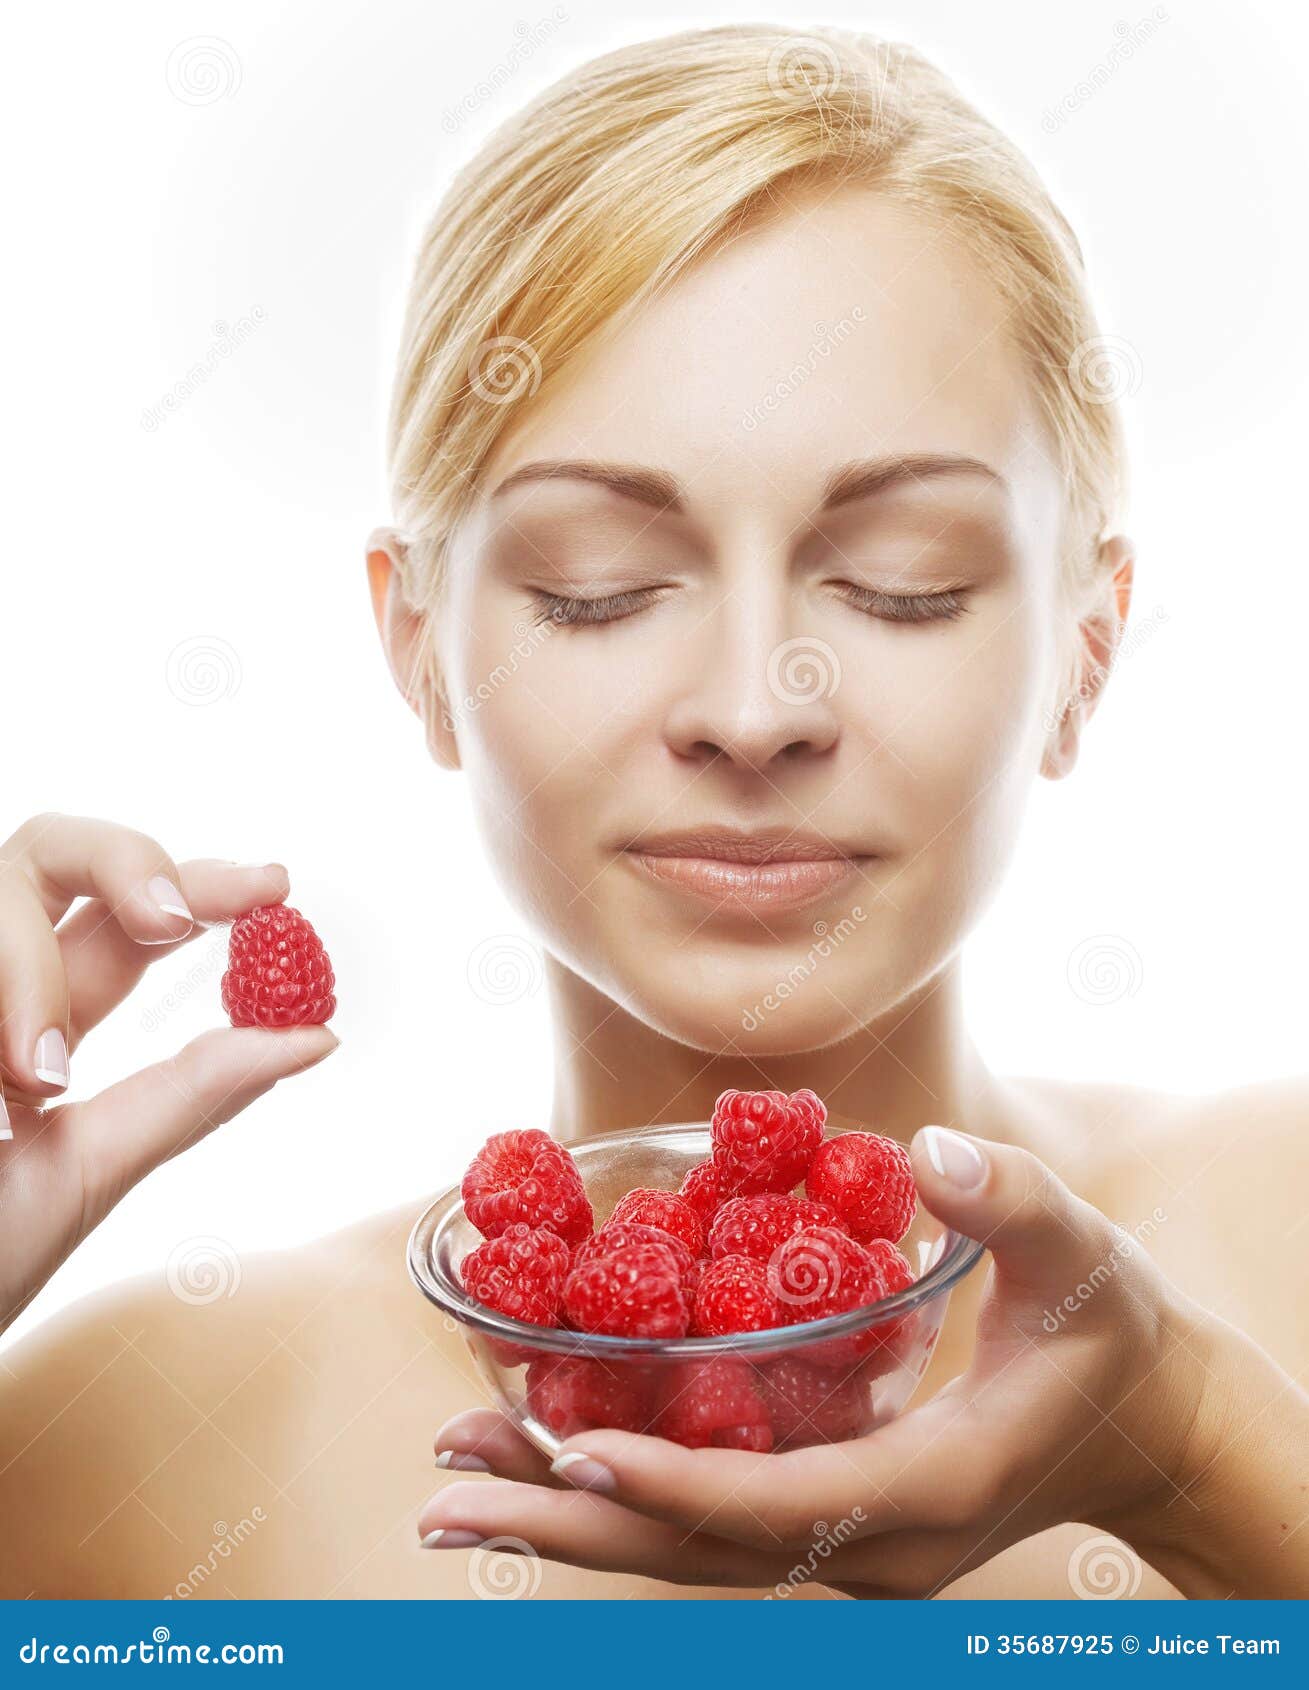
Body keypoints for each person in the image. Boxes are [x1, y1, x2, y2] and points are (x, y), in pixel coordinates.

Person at [2, 23, 1306, 1601]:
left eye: (907, 586)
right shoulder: (145, 1424)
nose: (754, 707)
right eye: (596, 591)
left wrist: (1204, 1458)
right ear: (415, 645)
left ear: (1084, 646)